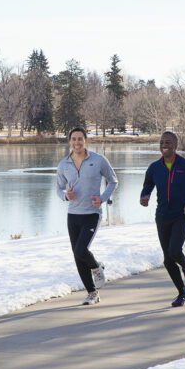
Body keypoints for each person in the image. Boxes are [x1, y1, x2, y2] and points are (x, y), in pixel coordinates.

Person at [140, 131, 185, 307]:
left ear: (176, 145)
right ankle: (182, 293)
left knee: (174, 250)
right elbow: (148, 184)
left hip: (180, 216)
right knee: (167, 259)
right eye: (162, 142)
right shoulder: (154, 167)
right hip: (162, 216)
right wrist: (145, 196)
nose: (165, 145)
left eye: (168, 142)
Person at [56, 127, 118, 305]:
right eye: (73, 139)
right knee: (77, 255)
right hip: (73, 214)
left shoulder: (98, 160)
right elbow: (58, 188)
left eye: (80, 139)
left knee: (80, 250)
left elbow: (113, 180)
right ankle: (92, 293)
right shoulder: (63, 165)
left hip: (91, 213)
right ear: (69, 142)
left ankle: (96, 267)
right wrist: (65, 196)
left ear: (85, 141)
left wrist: (103, 198)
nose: (77, 143)